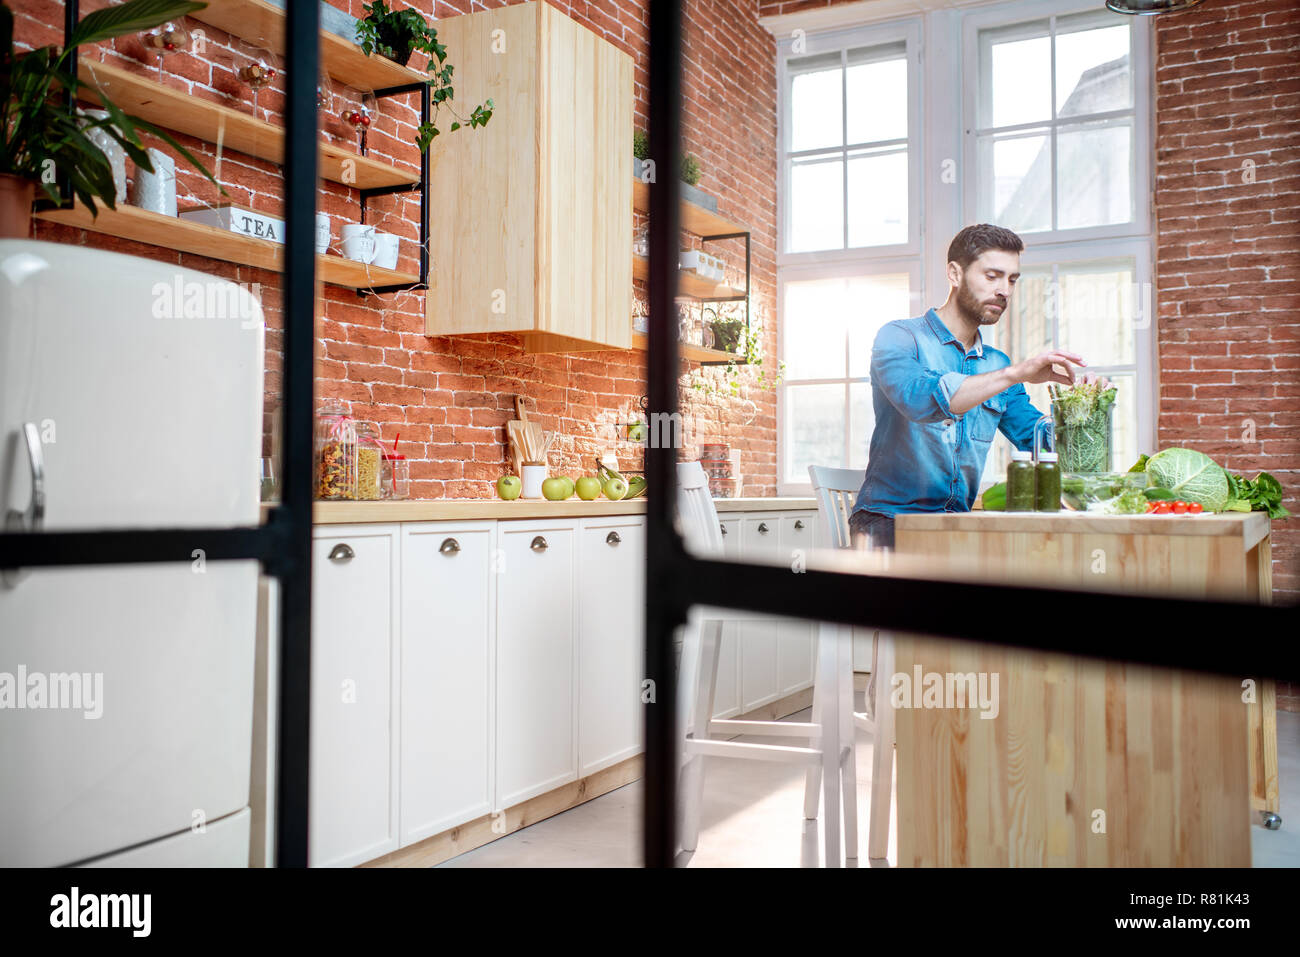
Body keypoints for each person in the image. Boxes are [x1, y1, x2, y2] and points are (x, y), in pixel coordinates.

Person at [849, 223, 1108, 551]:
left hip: (957, 523)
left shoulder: (997, 364)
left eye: (1012, 279)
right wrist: (1016, 373)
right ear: (955, 274)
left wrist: (1083, 406)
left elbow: (1038, 440)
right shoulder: (899, 337)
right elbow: (920, 399)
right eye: (992, 276)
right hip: (889, 521)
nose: (1005, 290)